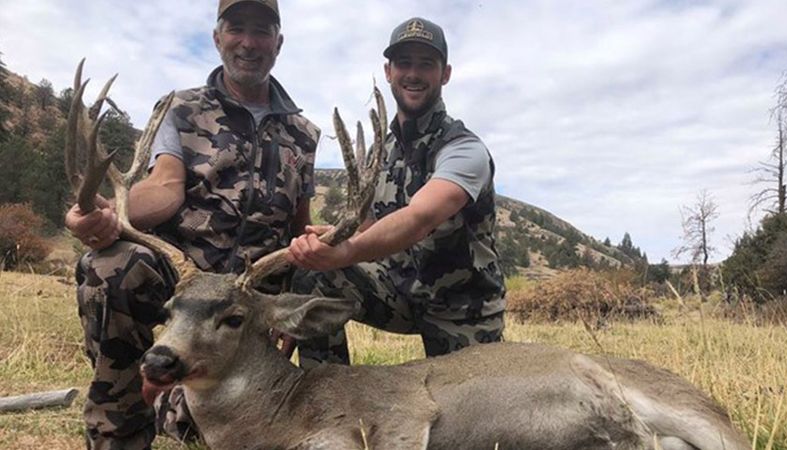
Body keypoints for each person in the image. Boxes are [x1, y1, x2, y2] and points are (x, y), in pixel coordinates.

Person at [64, 0, 319, 448]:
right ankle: (120, 427)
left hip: (250, 293)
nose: (248, 42)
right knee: (113, 266)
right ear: (217, 37)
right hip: (183, 281)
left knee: (329, 278)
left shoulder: (303, 133)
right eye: (236, 28)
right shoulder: (181, 110)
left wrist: (310, 255)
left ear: (278, 44)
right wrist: (108, 216)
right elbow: (164, 185)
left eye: (261, 31)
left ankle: (322, 420)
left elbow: (301, 225)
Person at [287, 17, 505, 368]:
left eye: (426, 64)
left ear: (445, 73)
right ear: (388, 72)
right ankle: (325, 403)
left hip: (463, 309)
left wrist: (349, 251)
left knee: (469, 417)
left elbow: (419, 218)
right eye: (404, 63)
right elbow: (371, 225)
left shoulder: (464, 149)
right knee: (312, 276)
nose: (413, 74)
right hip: (401, 293)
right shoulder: (380, 153)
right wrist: (337, 239)